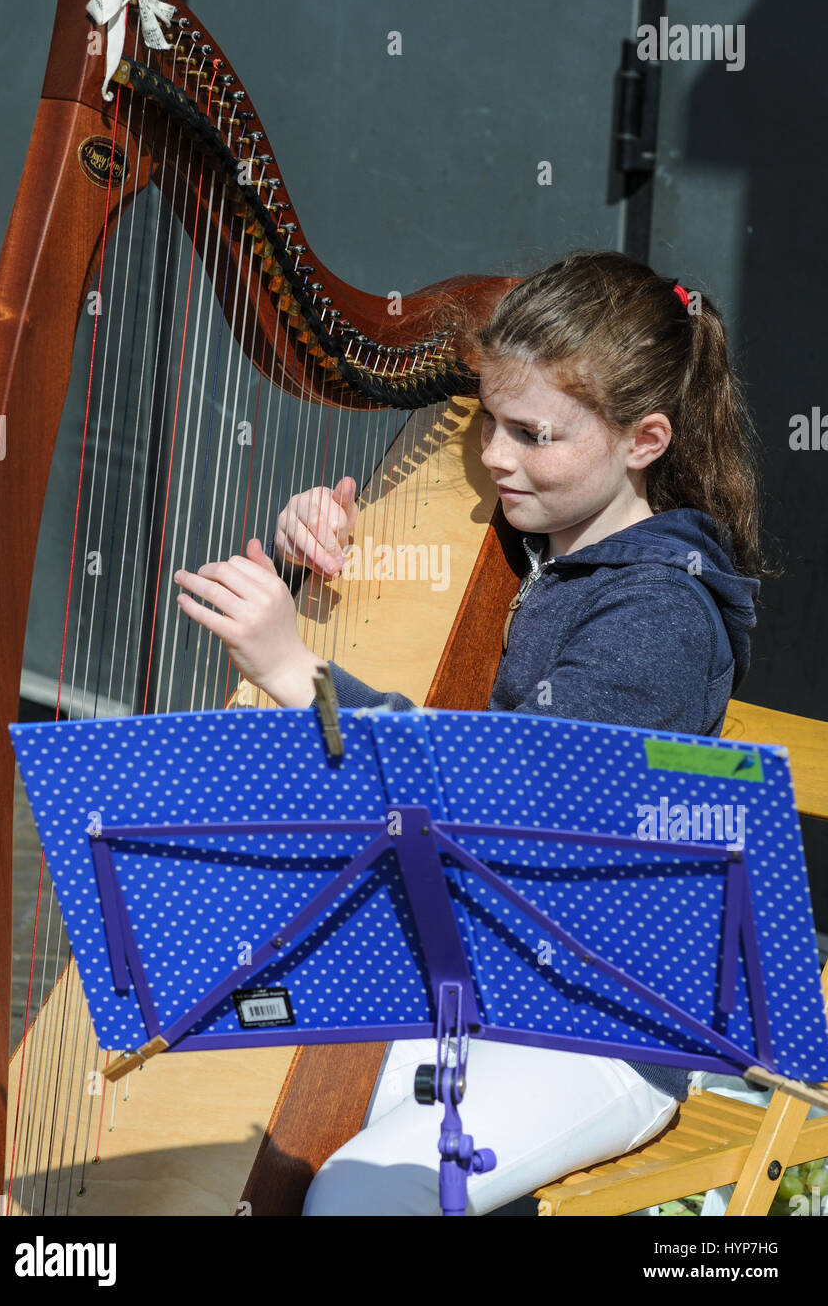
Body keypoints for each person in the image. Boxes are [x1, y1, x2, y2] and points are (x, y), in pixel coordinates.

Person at [173, 250, 773, 1215]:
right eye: (489, 418)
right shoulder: (540, 533)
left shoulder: (658, 618)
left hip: (593, 1023)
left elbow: (499, 804)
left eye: (533, 434)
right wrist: (326, 542)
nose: (494, 454)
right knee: (193, 1081)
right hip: (468, 969)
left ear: (644, 440)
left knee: (359, 1196)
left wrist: (297, 670)